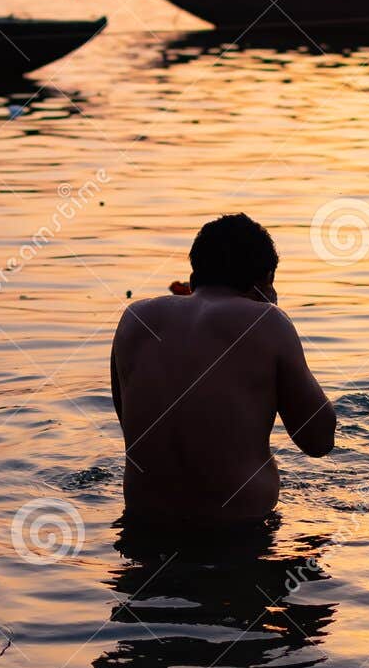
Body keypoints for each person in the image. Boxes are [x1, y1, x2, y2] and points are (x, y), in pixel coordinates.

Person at [111, 214, 335, 529]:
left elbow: (135, 427)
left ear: (194, 275)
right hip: (239, 534)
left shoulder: (135, 319)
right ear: (265, 278)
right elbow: (319, 439)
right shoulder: (266, 321)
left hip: (143, 528)